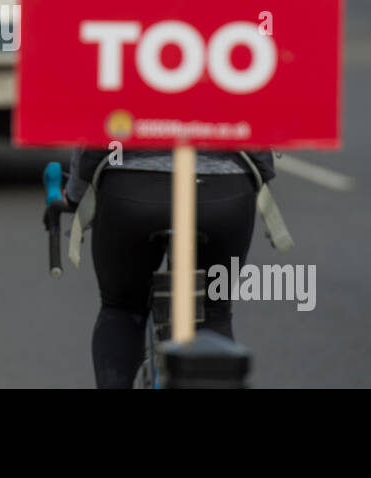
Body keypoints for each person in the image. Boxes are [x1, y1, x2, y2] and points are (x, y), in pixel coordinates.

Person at [59, 146, 276, 389]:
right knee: (213, 311)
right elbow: (259, 139)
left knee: (122, 308)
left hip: (129, 187)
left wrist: (75, 193)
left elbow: (95, 135)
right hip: (224, 191)